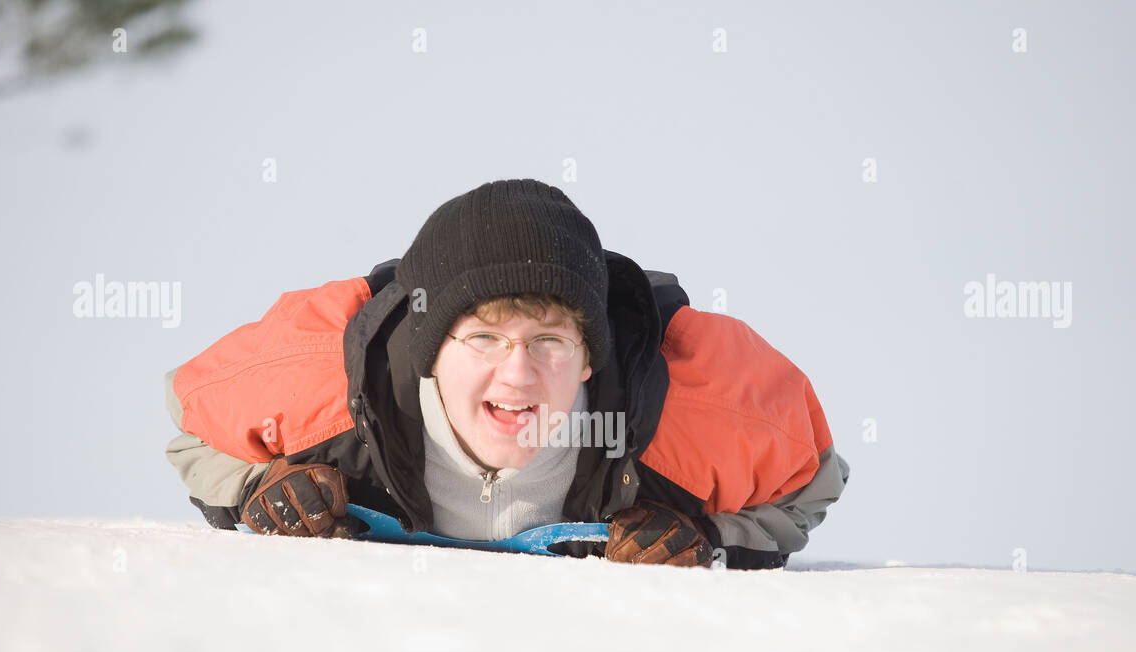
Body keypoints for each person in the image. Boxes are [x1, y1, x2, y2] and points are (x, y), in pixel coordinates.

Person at [163, 179, 849, 569]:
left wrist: (709, 539)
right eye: (483, 338)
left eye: (549, 340)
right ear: (433, 351)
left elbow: (811, 483)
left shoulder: (698, 415)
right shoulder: (318, 388)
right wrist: (262, 483)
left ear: (590, 355)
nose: (516, 374)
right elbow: (192, 424)